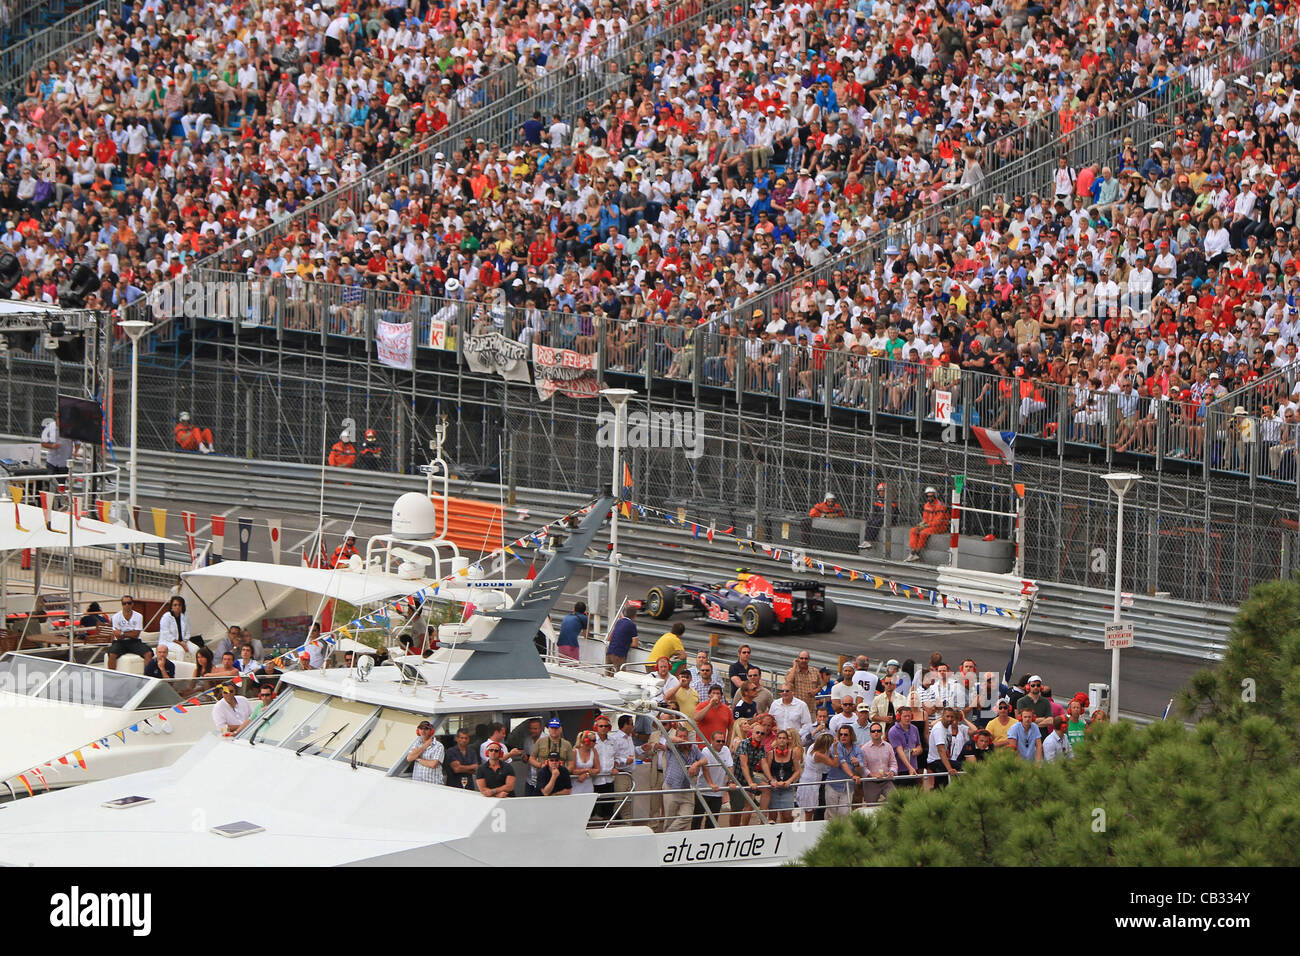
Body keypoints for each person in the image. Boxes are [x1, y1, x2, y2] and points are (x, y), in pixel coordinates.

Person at [661, 726, 705, 831]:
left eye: (685, 736)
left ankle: (668, 834)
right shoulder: (672, 746)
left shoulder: (693, 748)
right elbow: (669, 740)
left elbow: (704, 759)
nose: (683, 738)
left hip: (686, 787)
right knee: (669, 818)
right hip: (671, 787)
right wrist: (682, 741)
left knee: (687, 815)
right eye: (680, 736)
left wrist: (696, 764)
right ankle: (669, 838)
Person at [762, 729, 801, 822]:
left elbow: (797, 770)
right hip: (774, 787)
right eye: (779, 738)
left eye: (784, 738)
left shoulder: (793, 753)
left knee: (788, 815)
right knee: (772, 816)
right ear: (777, 739)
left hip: (787, 787)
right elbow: (767, 770)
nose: (782, 740)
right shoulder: (771, 754)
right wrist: (772, 780)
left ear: (788, 740)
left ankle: (788, 835)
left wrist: (789, 781)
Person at [696, 730, 733, 828]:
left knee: (712, 820)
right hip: (703, 790)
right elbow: (705, 769)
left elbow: (730, 767)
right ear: (711, 741)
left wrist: (731, 781)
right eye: (718, 741)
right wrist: (710, 784)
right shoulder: (705, 751)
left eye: (722, 741)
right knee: (697, 819)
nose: (721, 743)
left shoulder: (726, 750)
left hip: (718, 792)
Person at [825, 726, 863, 818]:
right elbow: (842, 762)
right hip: (833, 784)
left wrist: (857, 764)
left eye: (846, 734)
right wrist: (852, 775)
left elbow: (860, 768)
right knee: (831, 814)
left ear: (851, 736)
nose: (843, 736)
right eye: (841, 734)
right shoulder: (836, 746)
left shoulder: (857, 749)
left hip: (848, 786)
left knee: (845, 814)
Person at [797, 733, 835, 820]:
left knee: (810, 809)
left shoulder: (812, 747)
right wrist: (835, 751)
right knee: (809, 811)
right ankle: (807, 829)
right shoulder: (818, 755)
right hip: (811, 783)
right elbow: (834, 764)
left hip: (808, 780)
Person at [906, 486, 949, 562]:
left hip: (940, 526)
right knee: (913, 530)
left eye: (931, 496)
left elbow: (938, 521)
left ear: (935, 496)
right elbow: (925, 518)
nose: (929, 498)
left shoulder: (940, 506)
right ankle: (913, 552)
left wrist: (926, 525)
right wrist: (921, 524)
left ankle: (917, 553)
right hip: (929, 525)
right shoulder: (926, 505)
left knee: (923, 533)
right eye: (928, 496)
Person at [528, 718, 572, 793]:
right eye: (552, 728)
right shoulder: (540, 741)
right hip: (543, 777)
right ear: (548, 729)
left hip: (560, 779)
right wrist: (541, 765)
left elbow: (571, 764)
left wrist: (563, 772)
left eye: (556, 728)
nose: (554, 730)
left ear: (560, 729)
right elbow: (531, 759)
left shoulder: (567, 744)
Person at [106, 595, 148, 670]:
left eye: (129, 603)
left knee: (148, 653)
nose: (127, 605)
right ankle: (112, 676)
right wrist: (130, 633)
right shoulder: (116, 617)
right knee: (112, 654)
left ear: (132, 604)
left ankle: (147, 675)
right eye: (124, 603)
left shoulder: (138, 616)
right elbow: (117, 636)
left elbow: (136, 635)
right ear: (121, 604)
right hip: (119, 642)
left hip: (135, 642)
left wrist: (122, 633)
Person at [861, 721, 897, 804]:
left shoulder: (888, 746)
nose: (876, 733)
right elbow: (863, 767)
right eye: (873, 731)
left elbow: (893, 763)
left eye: (878, 731)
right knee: (871, 808)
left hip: (886, 781)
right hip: (871, 783)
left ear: (882, 733)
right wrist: (872, 775)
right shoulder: (864, 749)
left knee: (896, 801)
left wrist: (892, 772)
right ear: (870, 733)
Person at [888, 706, 924, 781]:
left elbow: (919, 745)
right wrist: (910, 768)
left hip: (913, 767)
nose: (907, 718)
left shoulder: (915, 729)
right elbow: (899, 751)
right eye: (905, 716)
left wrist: (918, 750)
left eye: (909, 716)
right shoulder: (893, 731)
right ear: (899, 717)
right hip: (900, 768)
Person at [927, 707, 960, 788]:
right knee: (962, 766)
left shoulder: (947, 726)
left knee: (941, 785)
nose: (950, 719)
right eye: (947, 716)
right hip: (935, 761)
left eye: (952, 717)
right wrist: (949, 768)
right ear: (942, 716)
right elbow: (941, 750)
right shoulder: (939, 729)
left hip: (941, 760)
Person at [406, 719, 445, 784]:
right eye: (421, 729)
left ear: (431, 731)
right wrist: (425, 746)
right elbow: (409, 758)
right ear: (418, 731)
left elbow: (433, 764)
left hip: (433, 783)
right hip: (418, 783)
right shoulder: (416, 743)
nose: (423, 731)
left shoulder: (439, 746)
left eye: (426, 729)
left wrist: (417, 759)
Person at [606, 605, 638, 672]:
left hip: (609, 652)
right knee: (621, 676)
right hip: (619, 655)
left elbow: (610, 637)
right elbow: (635, 644)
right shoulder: (632, 625)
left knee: (608, 675)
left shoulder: (619, 622)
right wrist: (626, 644)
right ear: (635, 615)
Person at [569, 730, 600, 794]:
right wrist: (587, 769)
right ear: (586, 741)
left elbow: (597, 769)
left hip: (588, 785)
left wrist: (586, 774)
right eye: (593, 741)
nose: (595, 743)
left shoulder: (594, 751)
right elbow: (572, 770)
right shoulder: (574, 751)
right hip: (575, 785)